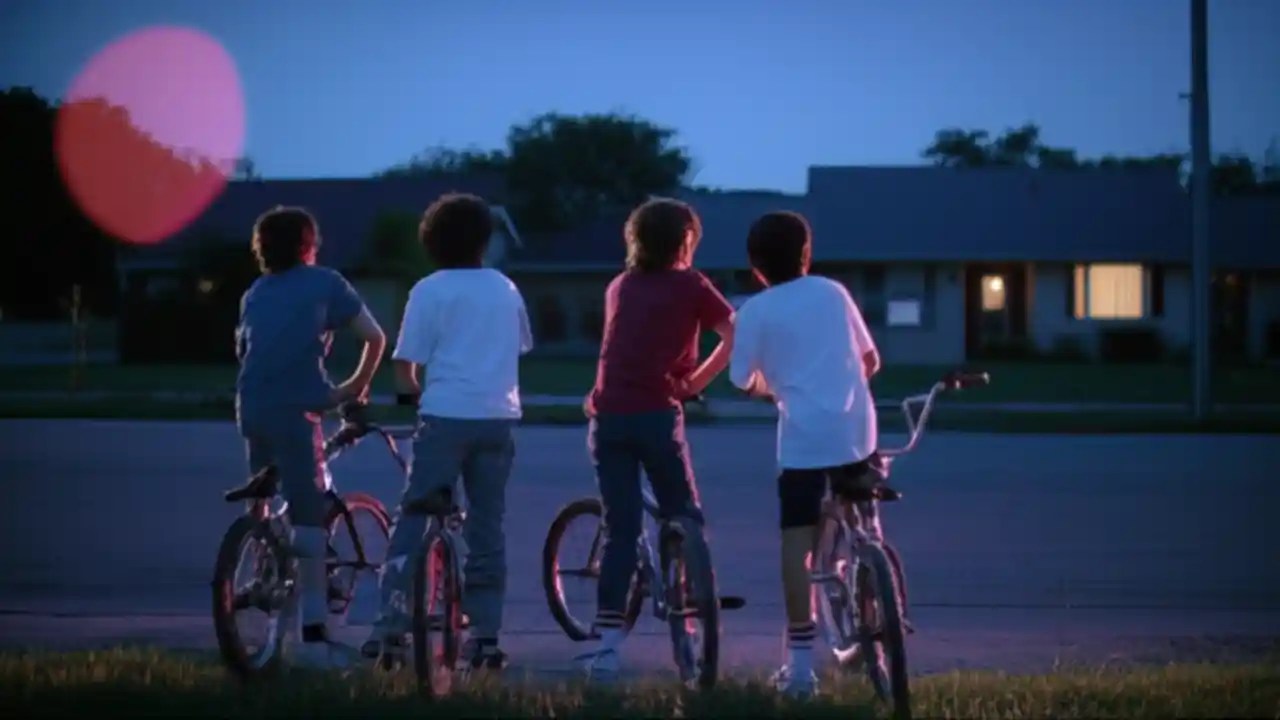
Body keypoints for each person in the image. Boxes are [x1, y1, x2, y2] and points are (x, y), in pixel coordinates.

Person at [365, 193, 533, 672]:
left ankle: (390, 627)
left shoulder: (429, 290)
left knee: (415, 514)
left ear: (432, 242)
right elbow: (519, 346)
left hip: (444, 417)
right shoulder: (505, 289)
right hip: (497, 418)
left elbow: (406, 368)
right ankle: (485, 636)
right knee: (486, 525)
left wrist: (413, 398)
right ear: (485, 240)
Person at [576, 197, 736, 682]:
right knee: (683, 513)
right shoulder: (692, 285)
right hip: (657, 414)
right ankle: (688, 607)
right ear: (686, 241)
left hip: (609, 415)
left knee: (621, 529)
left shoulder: (619, 286)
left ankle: (607, 650)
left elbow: (622, 346)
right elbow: (733, 333)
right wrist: (695, 382)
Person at [727, 210, 886, 698]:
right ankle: (877, 607)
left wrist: (770, 389)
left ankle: (799, 668)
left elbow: (742, 381)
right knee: (865, 514)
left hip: (803, 439)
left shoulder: (754, 312)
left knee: (798, 543)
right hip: (857, 431)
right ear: (807, 254)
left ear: (756, 267)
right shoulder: (834, 293)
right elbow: (871, 360)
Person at [235, 205, 387, 668]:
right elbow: (375, 337)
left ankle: (260, 559)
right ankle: (314, 635)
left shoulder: (254, 292)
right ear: (308, 246)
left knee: (262, 490)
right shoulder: (325, 282)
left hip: (251, 406)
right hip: (299, 408)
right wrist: (352, 388)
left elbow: (249, 351)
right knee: (309, 519)